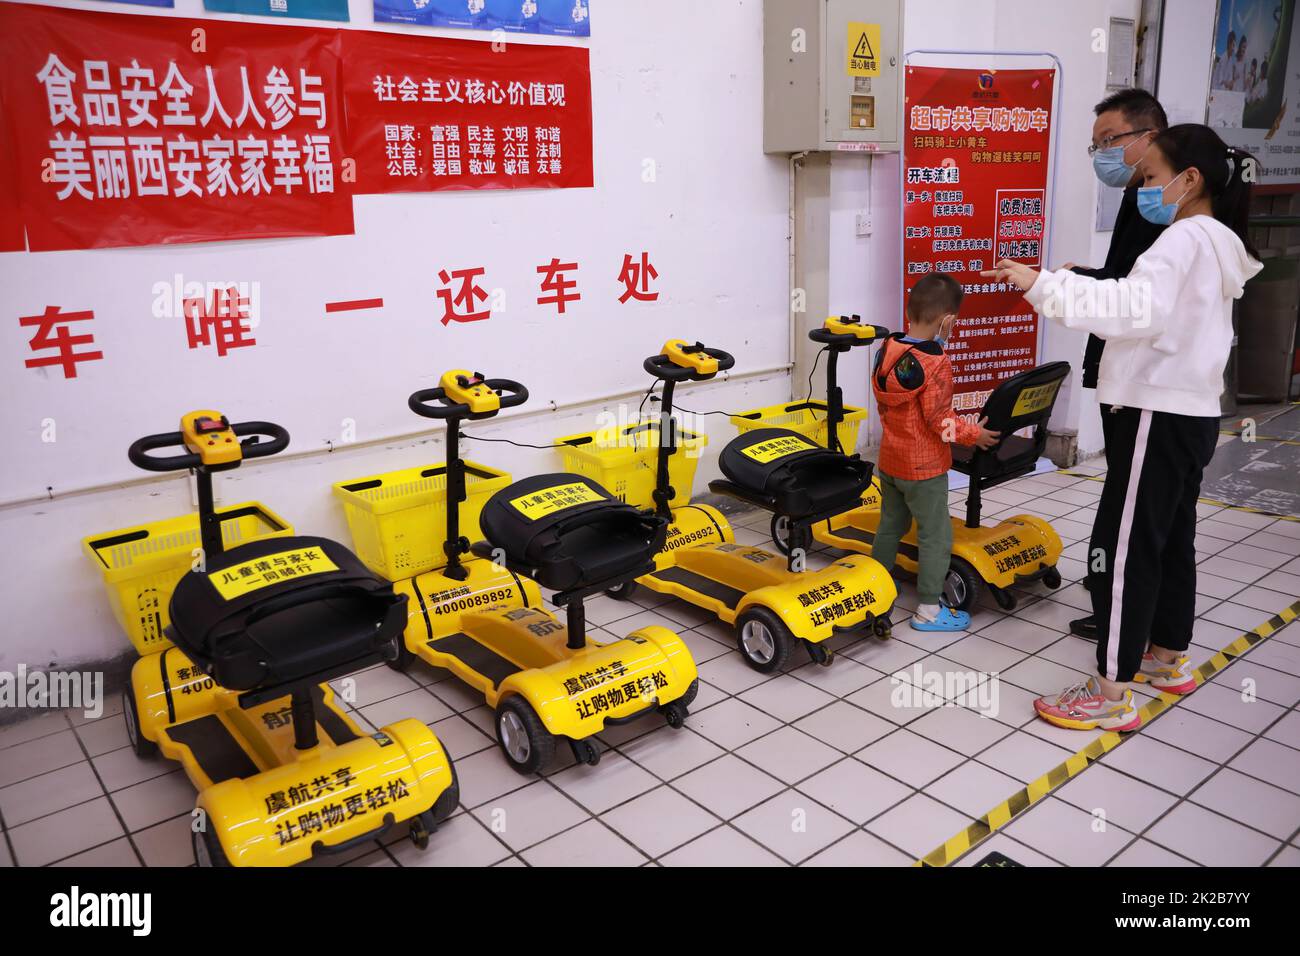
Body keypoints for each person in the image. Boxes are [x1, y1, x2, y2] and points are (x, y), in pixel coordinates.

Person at [982, 125, 1262, 731]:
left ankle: (1111, 691)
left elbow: (1129, 311)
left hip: (1157, 413)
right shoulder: (1216, 241)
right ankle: (1168, 656)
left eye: (1153, 176)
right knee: (1171, 537)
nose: (1144, 188)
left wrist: (1042, 284)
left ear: (1189, 181)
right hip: (1193, 414)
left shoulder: (1183, 240)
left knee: (1132, 547)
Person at [1068, 88, 1169, 641]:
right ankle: (1113, 592)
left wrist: (1066, 284)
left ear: (1148, 137)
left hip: (1147, 384)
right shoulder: (1142, 196)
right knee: (1125, 490)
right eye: (1095, 146)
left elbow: (1138, 299)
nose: (1102, 154)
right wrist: (1085, 276)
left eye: (1110, 141)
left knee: (1130, 501)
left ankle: (1119, 615)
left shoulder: (1175, 214)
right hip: (1120, 371)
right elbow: (1125, 279)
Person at [870, 273, 1000, 632]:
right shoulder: (936, 362)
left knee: (890, 526)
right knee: (935, 536)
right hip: (924, 468)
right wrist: (975, 434)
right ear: (948, 320)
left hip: (890, 461)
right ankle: (928, 609)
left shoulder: (888, 349)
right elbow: (939, 420)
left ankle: (878, 586)